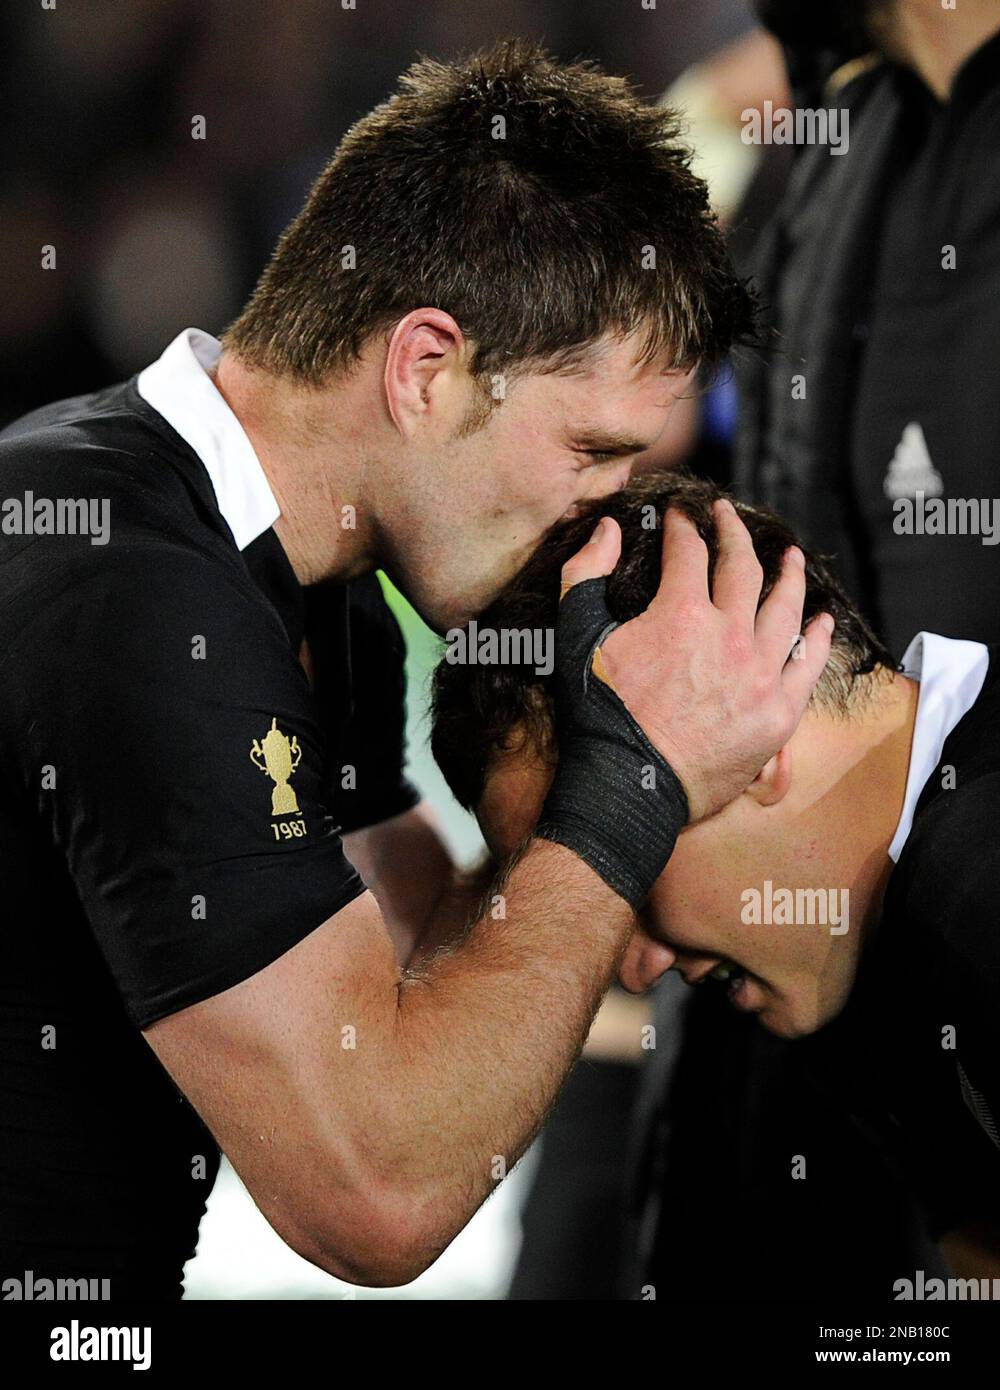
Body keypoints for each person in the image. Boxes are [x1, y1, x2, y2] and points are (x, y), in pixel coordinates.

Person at [0, 39, 833, 1298]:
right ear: (427, 370)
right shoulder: (119, 572)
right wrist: (633, 778)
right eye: (591, 449)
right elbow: (373, 1194)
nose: (604, 518)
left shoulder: (322, 588)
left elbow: (425, 972)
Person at [431, 468, 1000, 1285]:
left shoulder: (973, 902)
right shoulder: (865, 942)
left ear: (755, 731)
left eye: (623, 844)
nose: (632, 966)